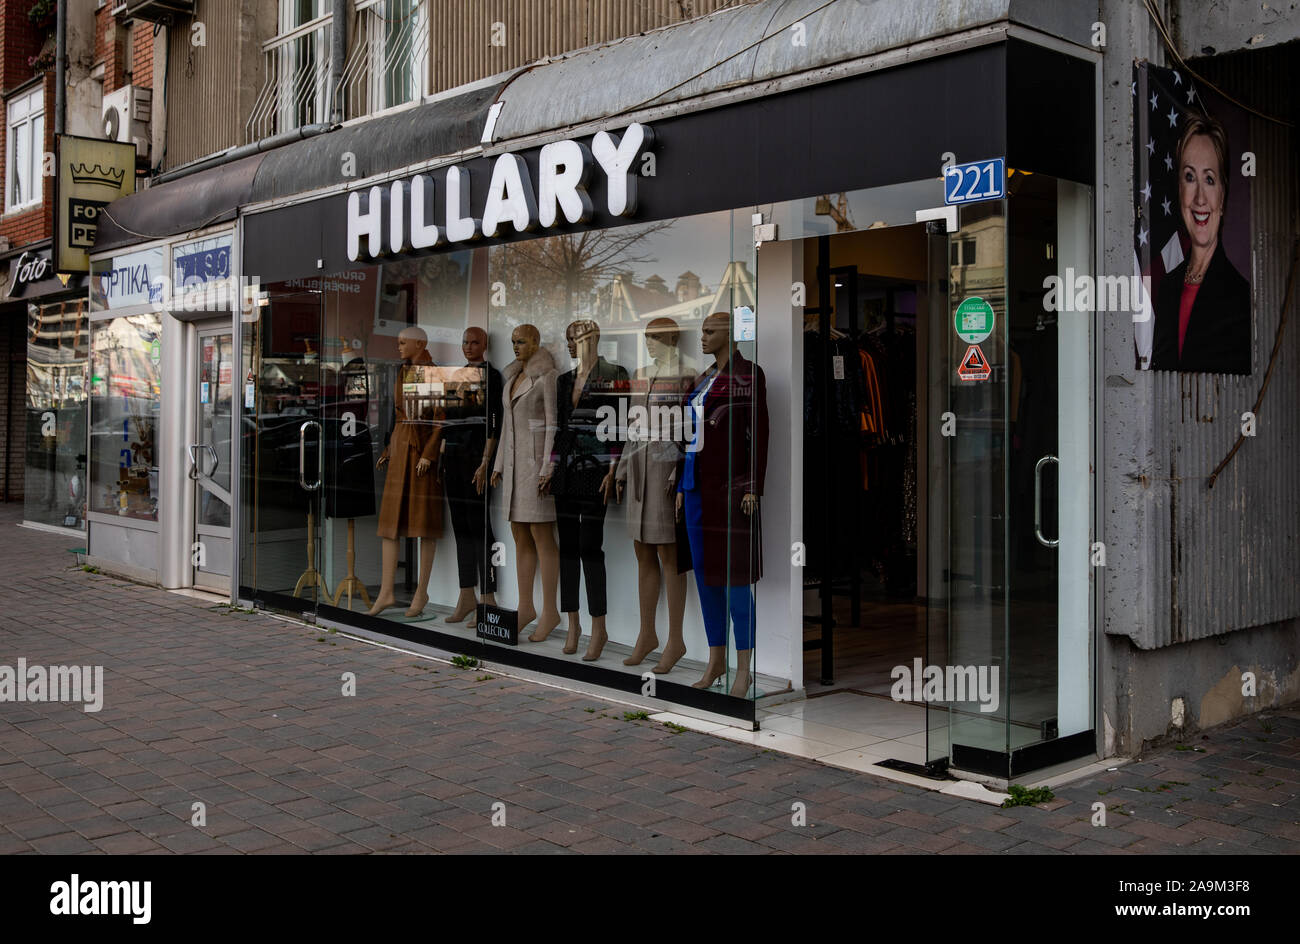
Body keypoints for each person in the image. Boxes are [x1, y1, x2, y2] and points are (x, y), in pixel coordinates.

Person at [675, 311, 768, 698]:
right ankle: (716, 661)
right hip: (696, 488)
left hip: (730, 491)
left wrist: (752, 486)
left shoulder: (749, 374)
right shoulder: (703, 378)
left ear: (730, 334)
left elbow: (759, 433)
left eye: (710, 331)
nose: (702, 336)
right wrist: (682, 484)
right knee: (704, 579)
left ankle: (744, 668)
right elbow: (689, 434)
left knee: (733, 580)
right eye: (702, 330)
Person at [615, 317, 694, 673]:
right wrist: (620, 469)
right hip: (638, 470)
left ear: (674, 338)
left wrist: (681, 469)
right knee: (641, 550)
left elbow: (691, 430)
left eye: (657, 337)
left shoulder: (687, 373)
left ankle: (675, 639)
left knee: (669, 553)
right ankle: (647, 633)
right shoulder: (641, 372)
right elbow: (632, 424)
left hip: (665, 470)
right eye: (647, 337)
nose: (650, 342)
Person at [551, 320, 629, 661]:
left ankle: (599, 627)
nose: (570, 344)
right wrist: (551, 466)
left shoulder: (614, 373)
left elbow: (619, 423)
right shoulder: (563, 380)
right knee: (566, 547)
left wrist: (614, 468)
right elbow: (559, 426)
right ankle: (572, 623)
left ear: (594, 339)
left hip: (597, 468)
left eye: (576, 338)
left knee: (589, 547)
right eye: (567, 339)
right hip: (566, 470)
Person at [1151, 114, 1252, 374]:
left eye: (1209, 179)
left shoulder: (1241, 297)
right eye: (1189, 177)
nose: (1199, 198)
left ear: (1223, 191)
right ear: (1179, 188)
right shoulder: (1167, 288)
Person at [491, 324, 562, 640]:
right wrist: (498, 464)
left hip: (535, 469)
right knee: (519, 534)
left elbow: (552, 424)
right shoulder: (513, 377)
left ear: (536, 341)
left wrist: (548, 466)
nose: (515, 346)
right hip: (513, 467)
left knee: (542, 535)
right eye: (512, 342)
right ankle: (525, 606)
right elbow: (508, 425)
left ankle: (550, 611)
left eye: (521, 341)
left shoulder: (547, 376)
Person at [371, 325, 443, 618]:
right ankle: (387, 591)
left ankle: (421, 591)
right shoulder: (402, 371)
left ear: (419, 343)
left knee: (423, 524)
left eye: (403, 342)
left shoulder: (433, 372)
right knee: (390, 524)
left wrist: (429, 454)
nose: (398, 347)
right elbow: (400, 415)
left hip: (420, 450)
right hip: (400, 447)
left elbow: (441, 418)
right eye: (398, 342)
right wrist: (390, 448)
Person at [440, 327, 502, 628]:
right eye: (464, 341)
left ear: (485, 345)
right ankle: (466, 594)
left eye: (474, 341)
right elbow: (448, 420)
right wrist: (442, 453)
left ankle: (488, 596)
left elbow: (494, 423)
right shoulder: (456, 376)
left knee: (480, 527)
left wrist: (486, 461)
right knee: (460, 526)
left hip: (477, 458)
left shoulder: (491, 376)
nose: (468, 346)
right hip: (453, 458)